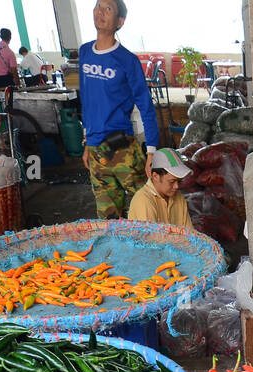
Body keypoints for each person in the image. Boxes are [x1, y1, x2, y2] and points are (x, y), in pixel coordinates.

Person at [78, 0, 160, 219]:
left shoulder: (127, 60)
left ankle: (153, 252)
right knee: (108, 219)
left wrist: (151, 151)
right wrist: (87, 142)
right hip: (96, 151)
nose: (100, 12)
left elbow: (145, 105)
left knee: (145, 213)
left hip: (122, 149)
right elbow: (87, 100)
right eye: (98, 6)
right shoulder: (85, 52)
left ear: (119, 22)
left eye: (108, 9)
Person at [127, 147, 197, 229]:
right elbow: (150, 239)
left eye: (179, 181)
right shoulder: (143, 200)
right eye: (172, 181)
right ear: (155, 176)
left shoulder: (179, 198)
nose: (176, 186)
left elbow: (189, 234)